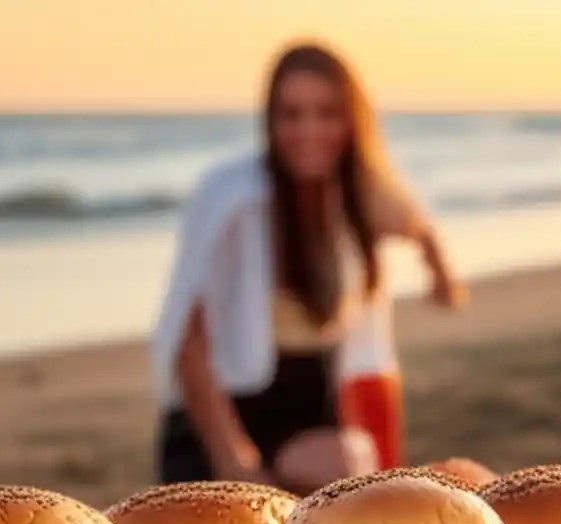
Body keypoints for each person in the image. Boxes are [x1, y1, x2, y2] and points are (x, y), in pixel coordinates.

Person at [152, 43, 465, 488]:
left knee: (357, 469)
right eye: (291, 114)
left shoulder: (358, 199)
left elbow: (417, 225)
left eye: (326, 113)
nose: (309, 131)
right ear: (270, 120)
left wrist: (442, 277)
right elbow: (188, 344)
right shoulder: (232, 199)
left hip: (310, 422)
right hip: (222, 421)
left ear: (351, 119)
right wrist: (236, 462)